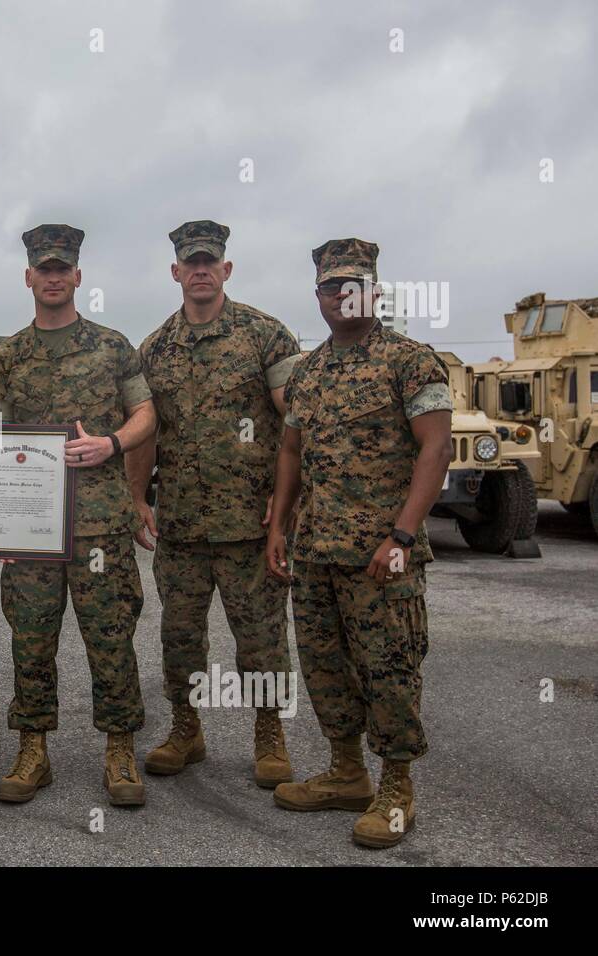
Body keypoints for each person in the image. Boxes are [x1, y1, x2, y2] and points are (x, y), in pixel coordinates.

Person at [266, 238, 452, 848]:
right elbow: (290, 451)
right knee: (325, 667)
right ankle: (347, 772)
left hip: (382, 554)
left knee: (389, 668)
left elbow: (436, 448)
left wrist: (401, 534)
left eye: (355, 285)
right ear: (317, 295)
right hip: (316, 549)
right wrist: (278, 525)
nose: (342, 297)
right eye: (330, 287)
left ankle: (397, 788)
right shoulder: (309, 370)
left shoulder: (410, 361)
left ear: (374, 292)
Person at [0, 223, 157, 807]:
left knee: (111, 640)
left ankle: (119, 750)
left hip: (99, 522)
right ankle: (33, 749)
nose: (53, 277)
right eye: (44, 268)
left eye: (63, 268)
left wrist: (111, 444)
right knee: (31, 640)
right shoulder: (8, 356)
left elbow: (146, 415)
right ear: (28, 277)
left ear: (77, 276)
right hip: (31, 526)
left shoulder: (112, 346)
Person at [127, 220, 301, 788]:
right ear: (175, 272)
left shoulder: (265, 335)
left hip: (251, 523)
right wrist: (136, 497)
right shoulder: (154, 349)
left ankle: (269, 733)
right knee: (179, 636)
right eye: (190, 262)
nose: (200, 270)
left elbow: (292, 419)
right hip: (181, 525)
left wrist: (286, 495)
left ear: (226, 269)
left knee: (261, 637)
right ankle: (186, 729)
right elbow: (145, 432)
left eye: (211, 261)